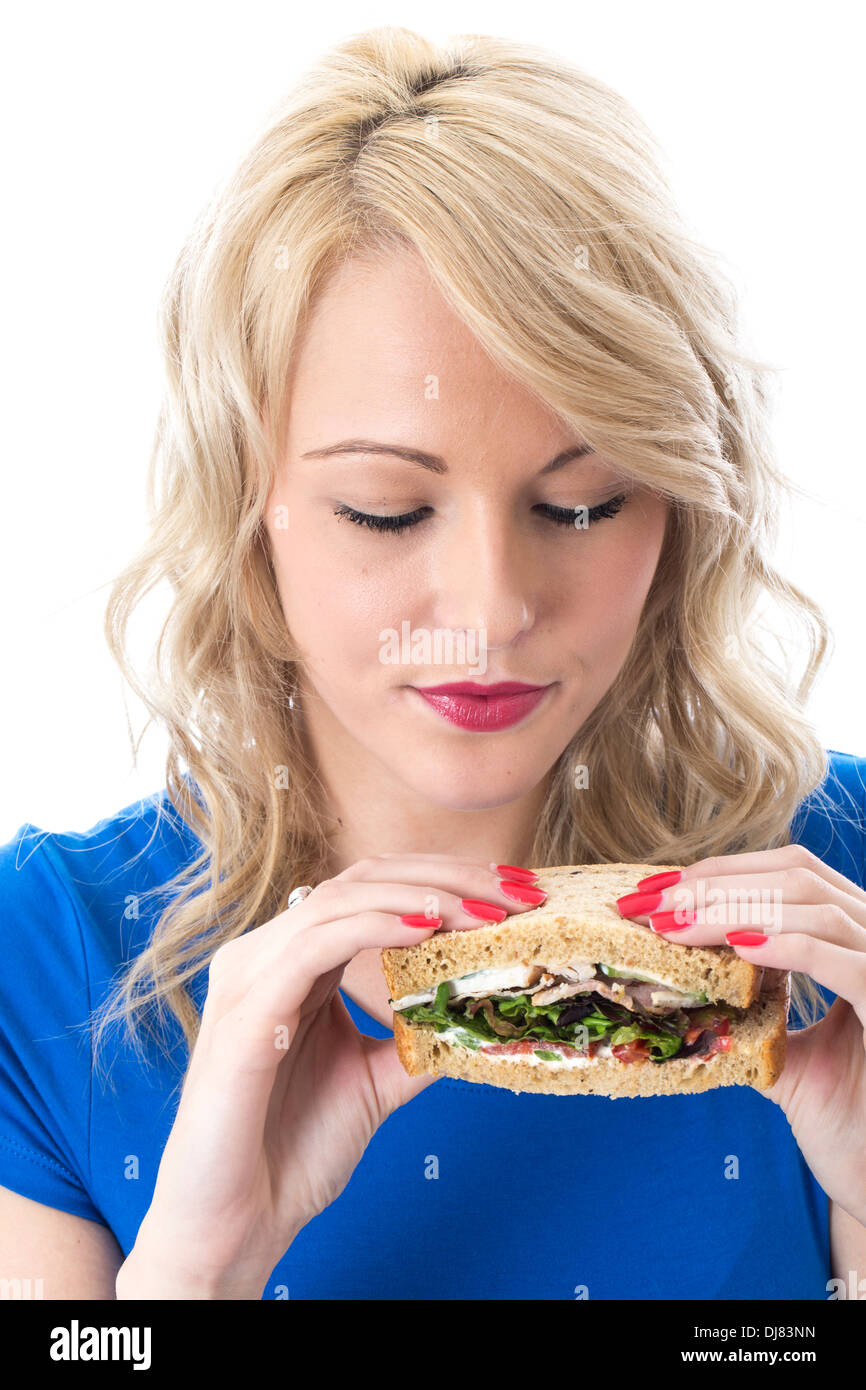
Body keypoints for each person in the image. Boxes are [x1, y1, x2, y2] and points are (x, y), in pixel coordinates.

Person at [1, 25, 865, 1301]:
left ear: (679, 508)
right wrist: (195, 1273)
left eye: (580, 505)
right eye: (386, 511)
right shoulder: (46, 956)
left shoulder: (834, 899)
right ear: (251, 508)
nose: (489, 608)